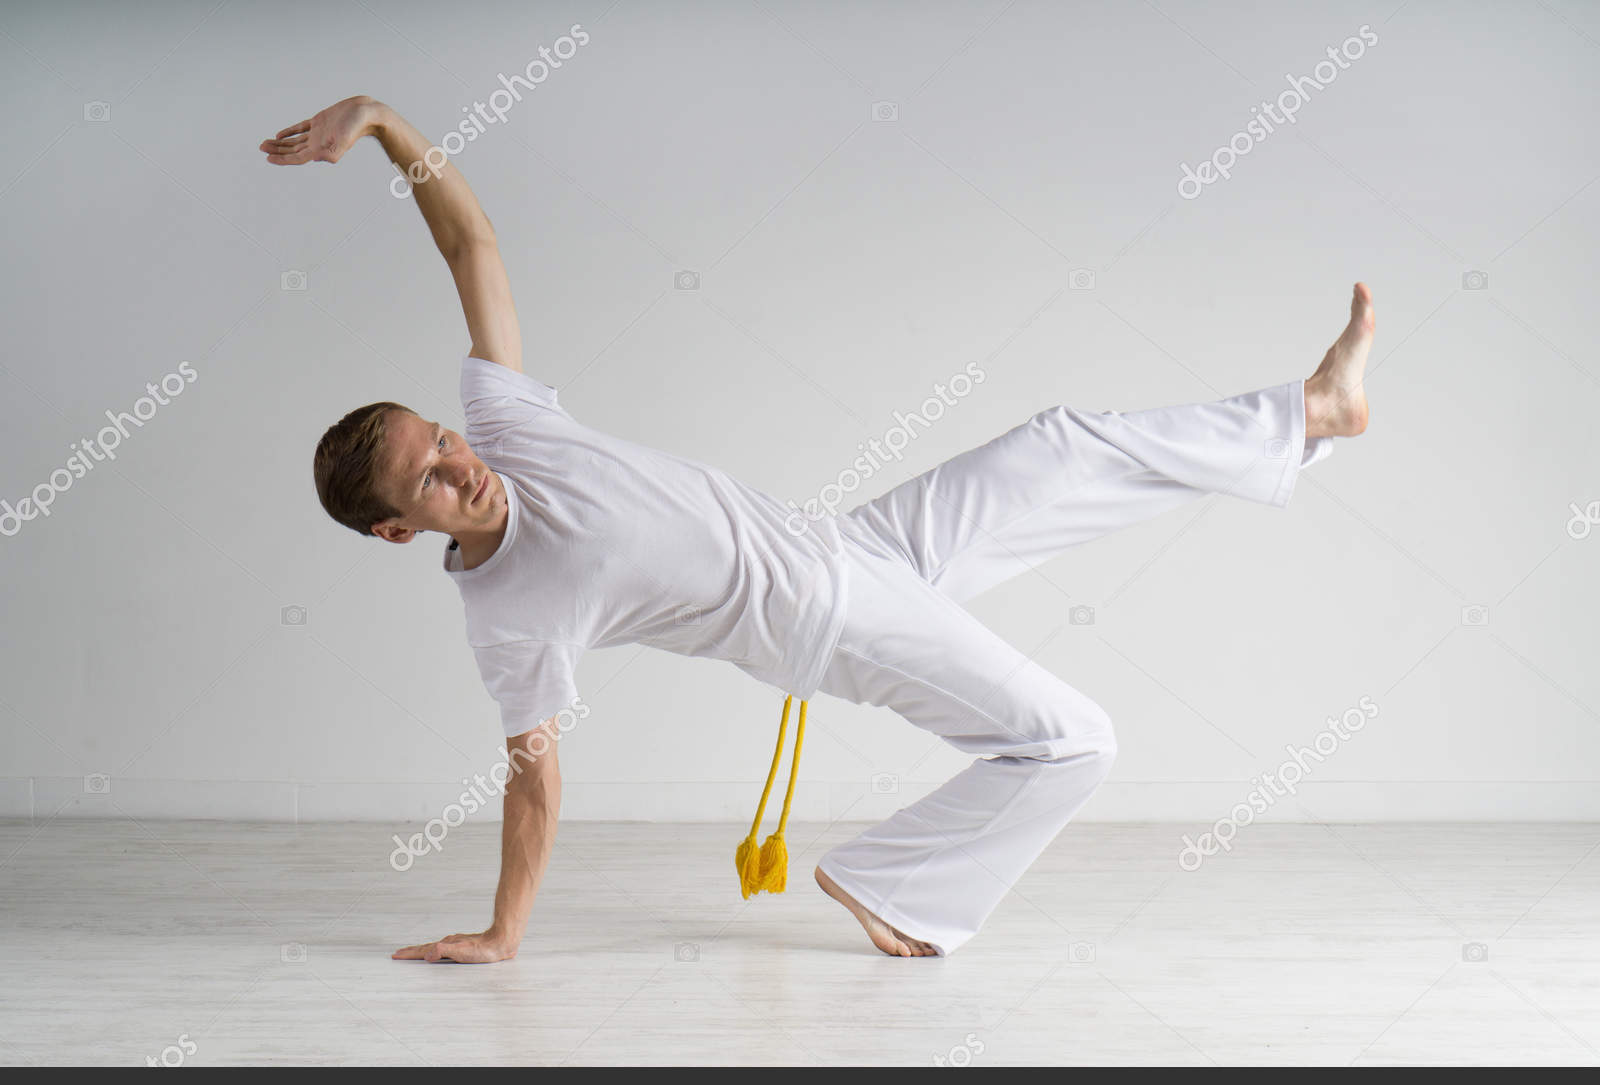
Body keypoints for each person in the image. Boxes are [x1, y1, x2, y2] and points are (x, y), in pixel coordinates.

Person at [265, 96, 1373, 962]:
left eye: (443, 442)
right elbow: (533, 783)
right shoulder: (510, 618)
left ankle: (1309, 417)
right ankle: (895, 885)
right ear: (398, 532)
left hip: (854, 549)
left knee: (1064, 441)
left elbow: (472, 247)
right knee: (1077, 739)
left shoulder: (508, 431)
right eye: (432, 481)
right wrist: (506, 932)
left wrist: (379, 121)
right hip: (830, 619)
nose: (463, 466)